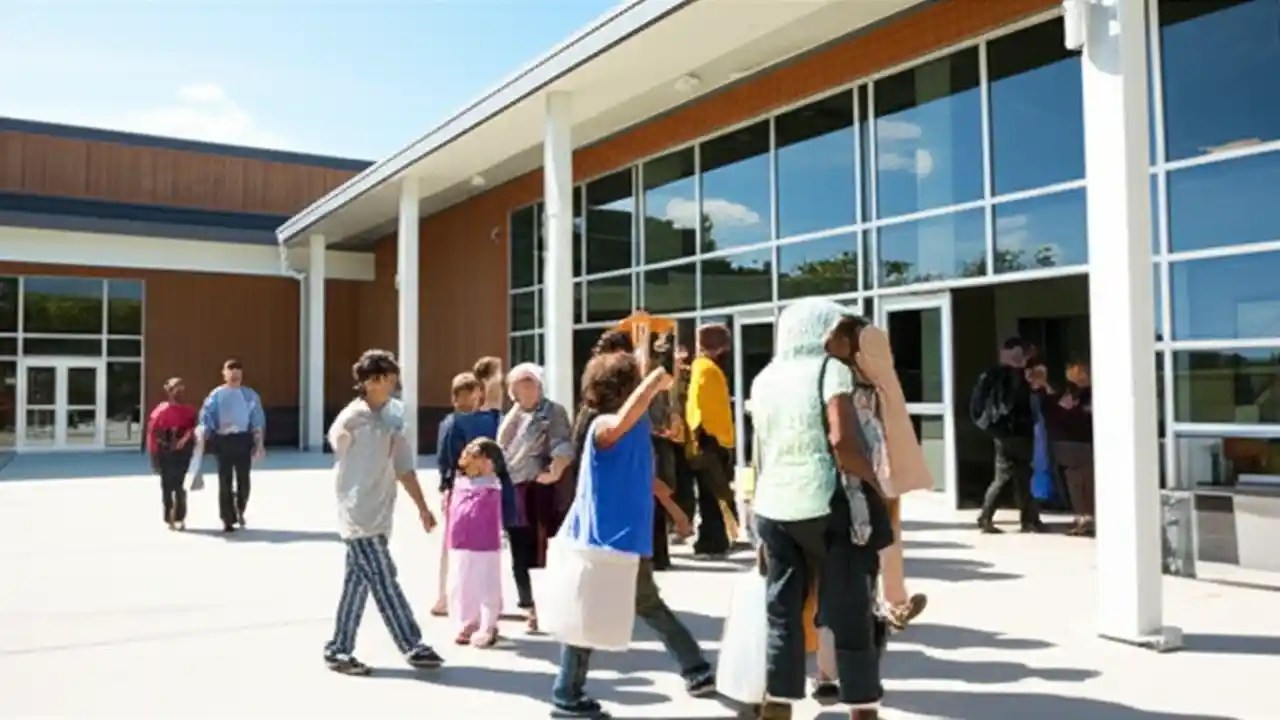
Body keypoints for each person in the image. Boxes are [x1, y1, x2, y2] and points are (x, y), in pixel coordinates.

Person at [551, 352, 715, 719]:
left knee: (621, 609)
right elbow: (625, 417)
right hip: (603, 542)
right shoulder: (603, 425)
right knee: (611, 613)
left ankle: (568, 692)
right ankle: (567, 694)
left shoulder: (634, 427)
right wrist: (655, 377)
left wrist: (674, 510)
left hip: (620, 539)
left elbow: (642, 473)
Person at [749, 298, 891, 720]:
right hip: (826, 503)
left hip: (774, 507)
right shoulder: (832, 370)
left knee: (783, 610)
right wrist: (874, 482)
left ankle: (778, 702)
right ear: (824, 334)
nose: (850, 343)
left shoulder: (765, 377)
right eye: (844, 334)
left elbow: (760, 447)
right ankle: (863, 707)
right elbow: (842, 441)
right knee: (851, 612)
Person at [323, 349, 444, 676]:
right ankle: (412, 644)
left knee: (357, 584)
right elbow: (338, 447)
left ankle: (338, 649)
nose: (392, 383)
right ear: (368, 381)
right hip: (357, 512)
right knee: (384, 578)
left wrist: (422, 507)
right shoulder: (351, 418)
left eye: (392, 377)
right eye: (386, 378)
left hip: (381, 510)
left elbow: (404, 467)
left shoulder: (393, 416)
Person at [825, 316, 931, 631]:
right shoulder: (841, 383)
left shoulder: (867, 385)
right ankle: (881, 605)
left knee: (883, 534)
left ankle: (892, 602)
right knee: (868, 538)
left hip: (874, 469)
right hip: (857, 472)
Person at [498, 362, 574, 633]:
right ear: (512, 390)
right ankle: (528, 605)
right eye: (521, 383)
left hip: (542, 492)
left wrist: (557, 468)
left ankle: (548, 606)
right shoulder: (512, 415)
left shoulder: (553, 412)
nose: (527, 388)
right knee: (519, 552)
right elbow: (501, 451)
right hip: (514, 492)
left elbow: (563, 442)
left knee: (544, 551)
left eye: (531, 382)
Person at [431, 372, 505, 617]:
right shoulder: (468, 422)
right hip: (470, 487)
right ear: (459, 397)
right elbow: (448, 459)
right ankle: (449, 596)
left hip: (462, 488)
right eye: (471, 395)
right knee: (480, 546)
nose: (475, 399)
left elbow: (444, 460)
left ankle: (445, 596)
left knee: (455, 545)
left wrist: (446, 486)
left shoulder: (452, 422)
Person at [970, 338, 1045, 534]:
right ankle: (1020, 519)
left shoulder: (990, 374)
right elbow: (1014, 403)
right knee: (1014, 475)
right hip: (1016, 431)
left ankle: (1026, 519)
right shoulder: (1015, 376)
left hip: (1002, 432)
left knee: (1012, 475)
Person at [447, 437, 506, 648]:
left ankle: (488, 624)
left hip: (484, 543)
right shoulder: (460, 483)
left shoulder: (492, 485)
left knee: (486, 582)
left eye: (475, 454)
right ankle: (468, 622)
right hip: (460, 540)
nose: (467, 456)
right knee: (461, 582)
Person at [685, 323, 737, 558]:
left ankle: (712, 537)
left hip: (707, 438)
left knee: (710, 493)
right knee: (713, 492)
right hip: (711, 440)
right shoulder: (708, 370)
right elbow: (702, 406)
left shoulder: (702, 368)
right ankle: (714, 538)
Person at [198, 358, 265, 533]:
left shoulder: (250, 395)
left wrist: (259, 444)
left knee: (244, 480)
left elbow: (257, 421)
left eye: (238, 375)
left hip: (243, 439)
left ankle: (240, 507)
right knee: (224, 480)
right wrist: (204, 434)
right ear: (224, 374)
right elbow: (207, 417)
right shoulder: (216, 395)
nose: (235, 378)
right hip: (223, 441)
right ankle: (227, 518)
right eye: (231, 374)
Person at [1047, 361, 1094, 536]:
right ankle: (1086, 516)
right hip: (1080, 441)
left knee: (1074, 481)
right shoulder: (1085, 393)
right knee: (1085, 481)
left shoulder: (1065, 393)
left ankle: (1080, 515)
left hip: (1063, 441)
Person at [147, 377, 197, 531]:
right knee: (167, 485)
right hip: (165, 450)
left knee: (179, 484)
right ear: (168, 391)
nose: (177, 392)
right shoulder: (160, 410)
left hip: (182, 450)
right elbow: (152, 433)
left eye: (180, 389)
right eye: (174, 389)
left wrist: (185, 439)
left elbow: (194, 427)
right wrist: (154, 455)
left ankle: (180, 516)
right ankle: (169, 516)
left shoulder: (189, 410)